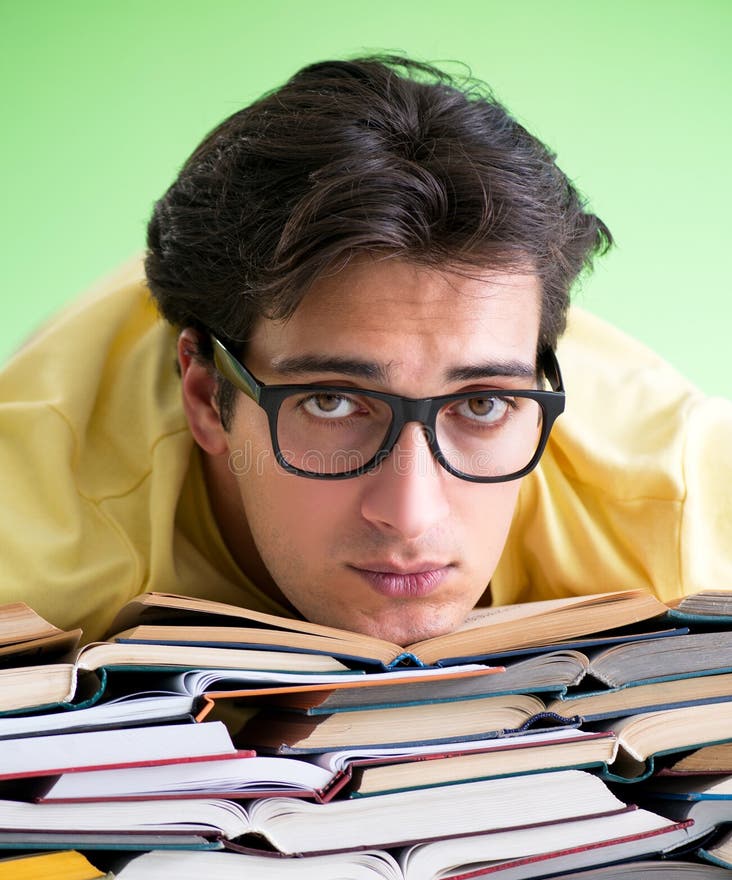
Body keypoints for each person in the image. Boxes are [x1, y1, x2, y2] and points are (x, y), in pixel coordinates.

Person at [2, 56, 731, 643]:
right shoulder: (26, 546)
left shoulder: (680, 505)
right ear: (205, 396)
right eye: (332, 401)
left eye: (482, 402)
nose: (412, 516)